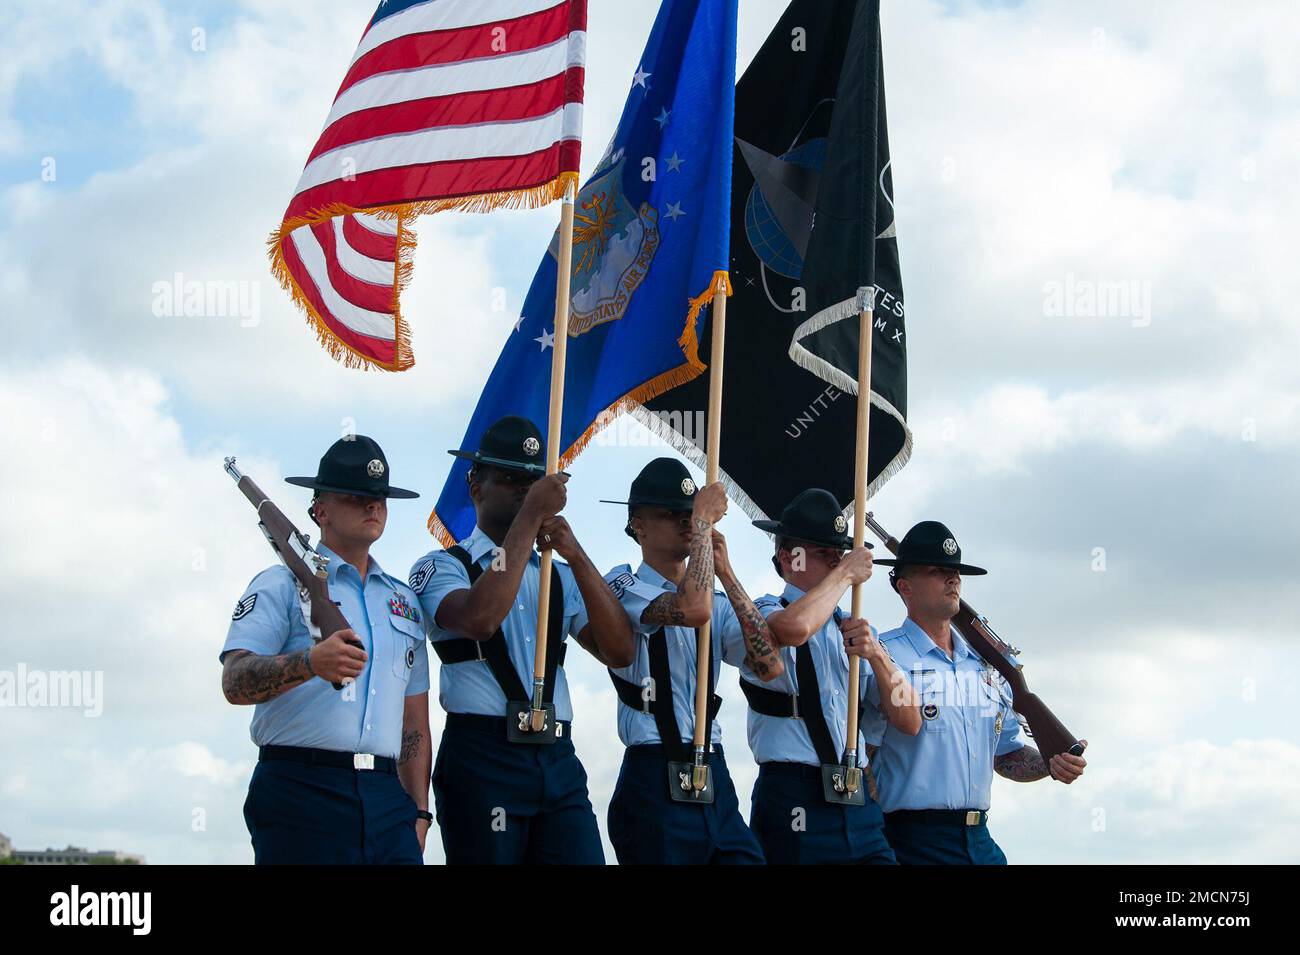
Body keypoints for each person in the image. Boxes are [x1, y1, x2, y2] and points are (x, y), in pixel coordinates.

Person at [410, 415, 634, 864]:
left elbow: (619, 651)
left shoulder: (556, 574)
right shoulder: (442, 566)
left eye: (532, 481)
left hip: (556, 754)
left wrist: (576, 555)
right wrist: (532, 513)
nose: (524, 490)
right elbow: (479, 619)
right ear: (476, 486)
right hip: (482, 754)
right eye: (511, 479)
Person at [221, 435, 432, 864]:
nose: (373, 506)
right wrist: (309, 664)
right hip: (300, 788)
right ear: (320, 510)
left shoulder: (404, 601)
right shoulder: (279, 584)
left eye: (380, 498)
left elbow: (414, 723)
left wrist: (420, 812)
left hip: (387, 799)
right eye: (357, 497)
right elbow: (234, 682)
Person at [869, 520, 1088, 865]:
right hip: (910, 839)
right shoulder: (883, 656)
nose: (953, 579)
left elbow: (1006, 756)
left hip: (979, 838)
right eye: (938, 571)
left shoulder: (986, 666)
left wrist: (1050, 763)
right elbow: (863, 754)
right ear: (905, 586)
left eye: (955, 571)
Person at [600, 457, 781, 864]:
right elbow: (690, 609)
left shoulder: (713, 599)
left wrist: (728, 574)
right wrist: (702, 526)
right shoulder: (620, 583)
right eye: (671, 514)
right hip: (652, 768)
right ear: (637, 524)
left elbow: (770, 666)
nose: (685, 522)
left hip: (712, 766)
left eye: (689, 514)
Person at [740, 488, 922, 864]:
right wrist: (845, 573)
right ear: (789, 557)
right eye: (824, 552)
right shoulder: (767, 608)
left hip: (855, 795)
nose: (836, 560)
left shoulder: (850, 628)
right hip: (795, 791)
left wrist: (877, 657)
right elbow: (792, 629)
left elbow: (909, 717)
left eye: (839, 553)